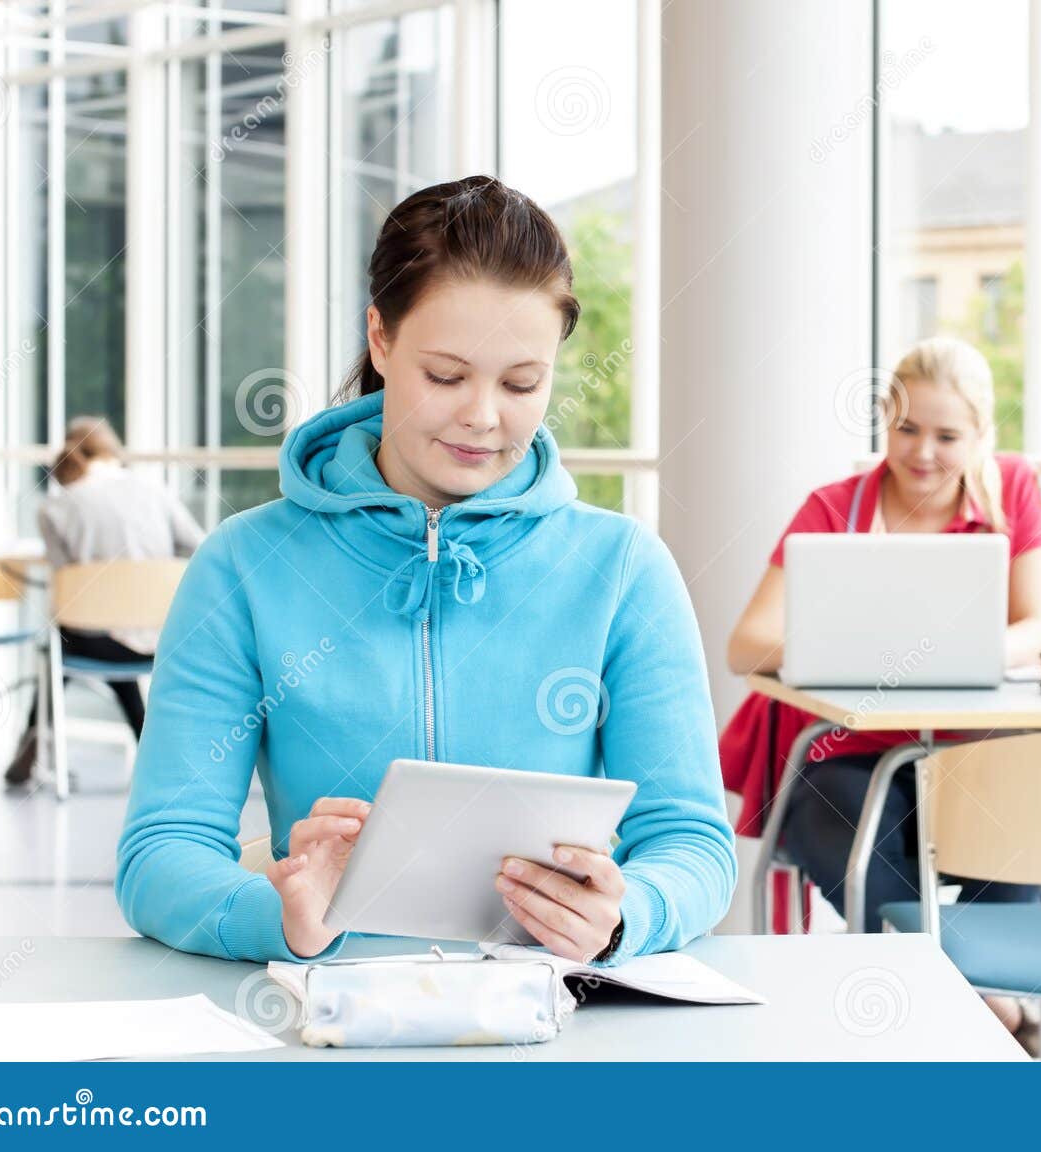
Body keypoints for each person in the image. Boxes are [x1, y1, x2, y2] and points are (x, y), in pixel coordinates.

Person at [115, 175, 736, 966]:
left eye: (522, 383)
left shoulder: (623, 570)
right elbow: (160, 851)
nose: (483, 415)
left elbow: (691, 843)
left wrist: (624, 916)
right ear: (380, 338)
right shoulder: (242, 566)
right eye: (446, 375)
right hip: (326, 1010)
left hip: (549, 1010)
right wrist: (278, 917)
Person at [721, 336, 1041, 1035]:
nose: (922, 452)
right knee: (840, 827)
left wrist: (965, 652)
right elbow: (746, 644)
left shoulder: (1013, 488)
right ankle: (976, 1008)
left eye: (947, 436)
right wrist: (854, 651)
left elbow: (1038, 625)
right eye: (906, 429)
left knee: (1017, 801)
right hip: (847, 750)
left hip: (970, 746)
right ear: (883, 420)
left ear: (981, 437)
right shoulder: (833, 508)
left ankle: (977, 997)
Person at [4, 416, 205, 788]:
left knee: (62, 639)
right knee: (107, 638)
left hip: (95, 639)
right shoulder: (154, 491)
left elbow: (65, 583)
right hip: (160, 637)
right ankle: (151, 751)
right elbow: (201, 547)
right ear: (111, 449)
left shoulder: (54, 508)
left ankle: (33, 739)